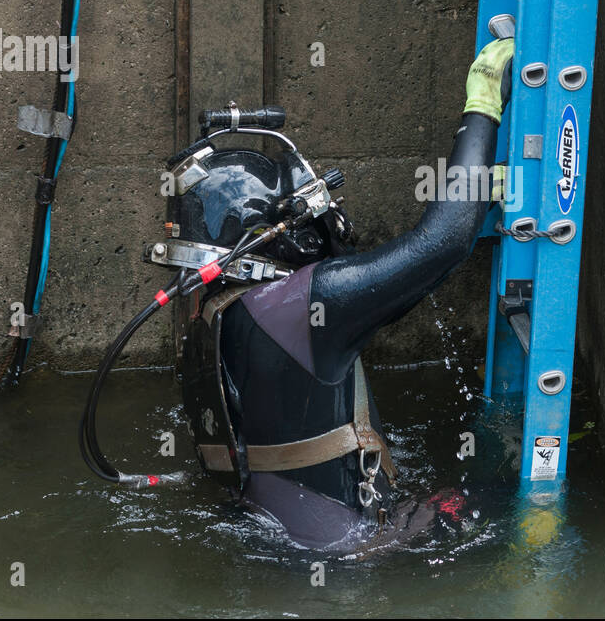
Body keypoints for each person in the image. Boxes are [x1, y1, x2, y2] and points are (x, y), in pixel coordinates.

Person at [178, 38, 515, 549]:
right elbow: (444, 242)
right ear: (273, 229)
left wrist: (478, 189)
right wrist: (483, 108)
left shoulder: (216, 314)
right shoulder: (302, 305)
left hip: (282, 545)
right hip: (358, 550)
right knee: (505, 495)